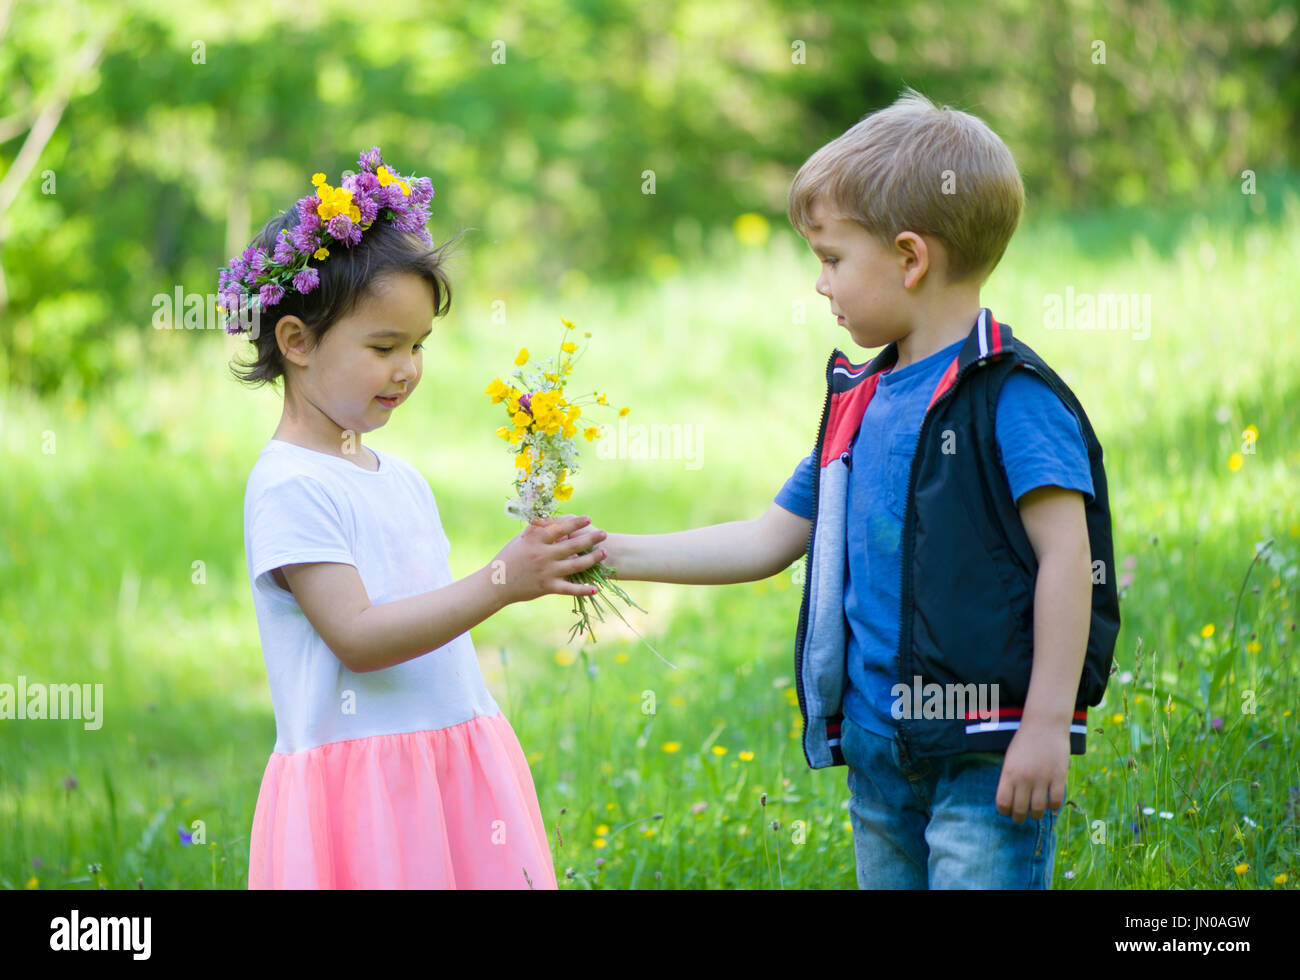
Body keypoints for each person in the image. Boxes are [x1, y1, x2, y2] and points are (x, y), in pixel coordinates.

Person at [598, 90, 1120, 888]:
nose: (820, 285)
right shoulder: (859, 403)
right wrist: (607, 553)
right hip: (878, 754)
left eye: (832, 259)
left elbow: (1067, 559)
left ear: (911, 258)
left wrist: (1048, 724)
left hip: (989, 749)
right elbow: (766, 538)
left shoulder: (1012, 399)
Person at [222, 147, 608, 888]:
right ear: (295, 341)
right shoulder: (290, 486)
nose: (407, 369)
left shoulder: (399, 479)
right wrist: (503, 580)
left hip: (452, 756)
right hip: (363, 787)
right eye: (383, 346)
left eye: (419, 346)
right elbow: (359, 640)